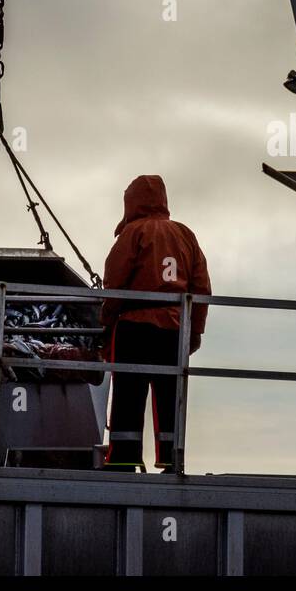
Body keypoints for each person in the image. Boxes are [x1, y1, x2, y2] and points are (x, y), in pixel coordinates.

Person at [99, 175, 210, 472]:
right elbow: (201, 288)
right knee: (170, 395)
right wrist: (195, 331)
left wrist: (105, 322)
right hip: (174, 329)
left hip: (135, 326)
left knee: (128, 393)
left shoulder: (133, 233)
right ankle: (173, 459)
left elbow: (114, 283)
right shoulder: (185, 235)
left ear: (131, 203)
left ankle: (123, 459)